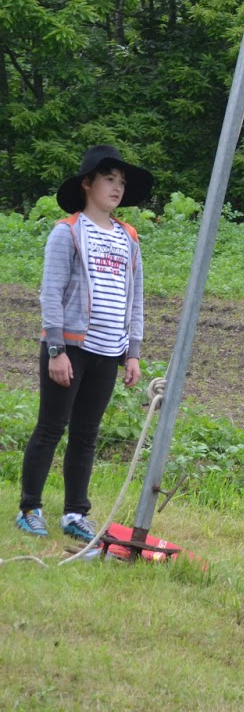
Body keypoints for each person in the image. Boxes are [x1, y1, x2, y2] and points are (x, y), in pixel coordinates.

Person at [14, 146, 151, 544]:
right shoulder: (67, 232)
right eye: (110, 179)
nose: (117, 188)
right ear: (87, 184)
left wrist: (133, 351)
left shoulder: (128, 237)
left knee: (87, 433)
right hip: (69, 349)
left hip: (109, 351)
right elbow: (50, 293)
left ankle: (76, 513)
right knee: (51, 427)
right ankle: (30, 508)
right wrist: (56, 350)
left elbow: (135, 296)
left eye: (122, 183)